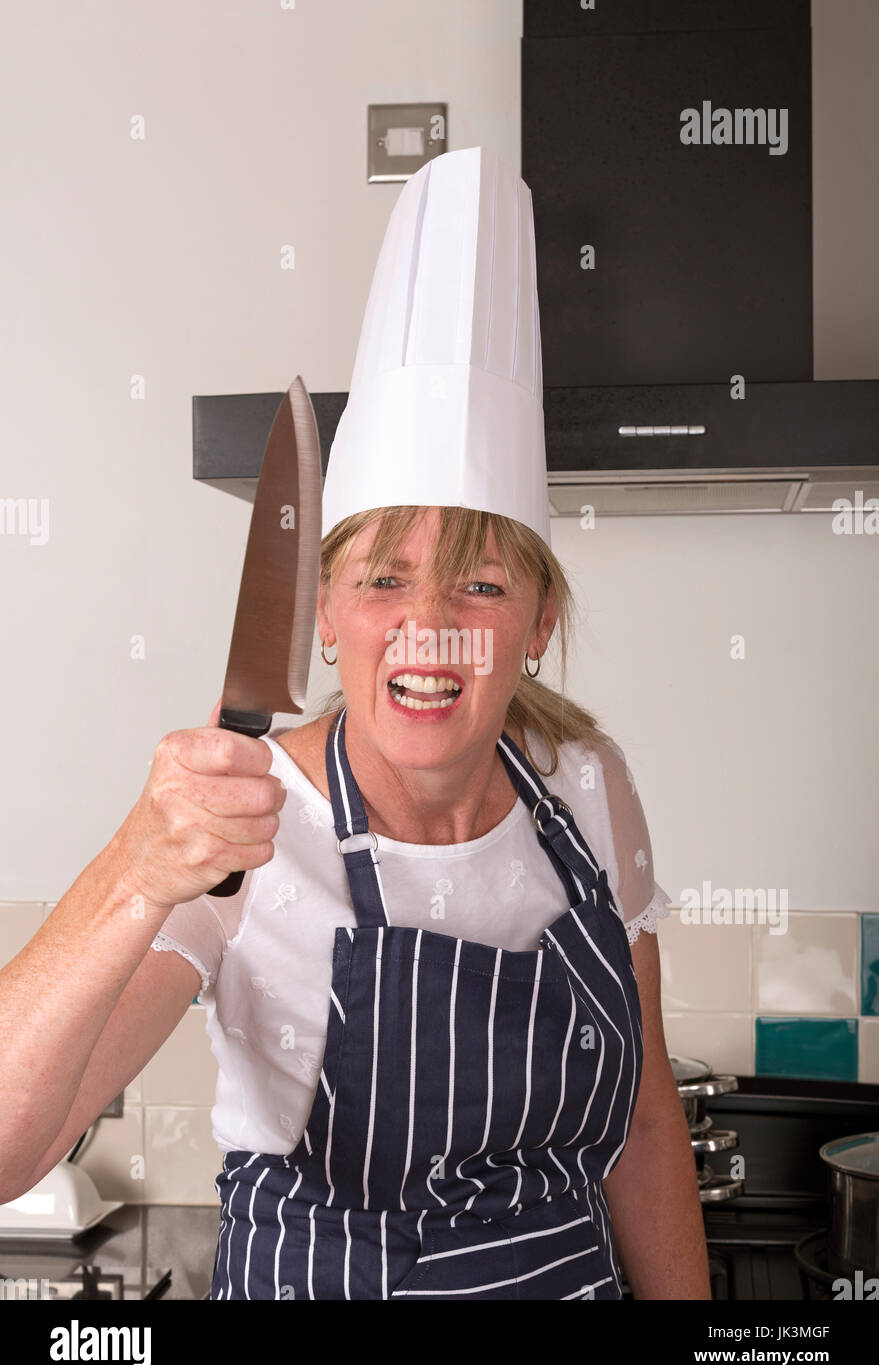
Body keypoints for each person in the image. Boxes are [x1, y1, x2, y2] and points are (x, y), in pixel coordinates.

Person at [0, 147, 712, 1299]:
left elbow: (637, 1107)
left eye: (481, 585)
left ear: (538, 622)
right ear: (325, 612)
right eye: (384, 580)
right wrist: (132, 873)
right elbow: (9, 1151)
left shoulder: (587, 785)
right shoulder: (245, 822)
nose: (428, 628)